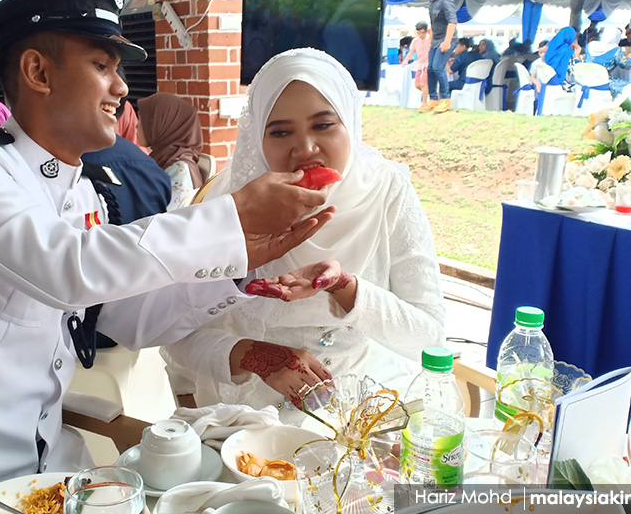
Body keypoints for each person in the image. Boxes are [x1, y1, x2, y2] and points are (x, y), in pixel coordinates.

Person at [0, 0, 333, 514]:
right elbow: (64, 268)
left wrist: (239, 267)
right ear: (38, 71)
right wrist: (229, 215)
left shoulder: (82, 195)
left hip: (42, 476)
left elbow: (129, 319)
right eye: (102, 65)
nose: (121, 87)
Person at [161, 48, 445, 421]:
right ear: (257, 140)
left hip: (369, 408)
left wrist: (345, 286)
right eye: (280, 132)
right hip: (256, 421)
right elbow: (175, 334)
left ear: (350, 124)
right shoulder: (231, 205)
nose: (306, 149)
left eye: (324, 125)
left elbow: (430, 337)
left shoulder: (387, 191)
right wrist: (253, 355)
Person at [136, 92, 204, 209]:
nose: (137, 126)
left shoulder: (179, 169)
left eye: (142, 120)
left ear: (160, 124)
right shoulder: (160, 158)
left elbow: (167, 219)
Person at [422, 0, 457, 113]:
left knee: (438, 68)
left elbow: (452, 21)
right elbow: (433, 25)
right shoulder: (432, 3)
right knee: (430, 69)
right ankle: (433, 99)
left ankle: (446, 100)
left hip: (447, 39)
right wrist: (429, 44)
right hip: (436, 40)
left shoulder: (445, 0)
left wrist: (447, 41)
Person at [585, 27, 631, 97]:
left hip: (585, 80)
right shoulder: (615, 50)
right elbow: (625, 63)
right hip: (603, 82)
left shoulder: (590, 46)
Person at [402, 22, 430, 110]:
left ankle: (424, 103)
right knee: (417, 85)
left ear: (426, 31)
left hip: (428, 63)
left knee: (423, 83)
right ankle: (431, 93)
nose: (420, 35)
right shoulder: (415, 40)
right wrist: (406, 60)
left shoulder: (430, 39)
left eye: (422, 33)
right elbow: (412, 51)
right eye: (418, 33)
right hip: (420, 64)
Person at [543, 27, 580, 92]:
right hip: (563, 87)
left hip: (550, 84)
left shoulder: (550, 50)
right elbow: (573, 73)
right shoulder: (568, 52)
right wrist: (577, 57)